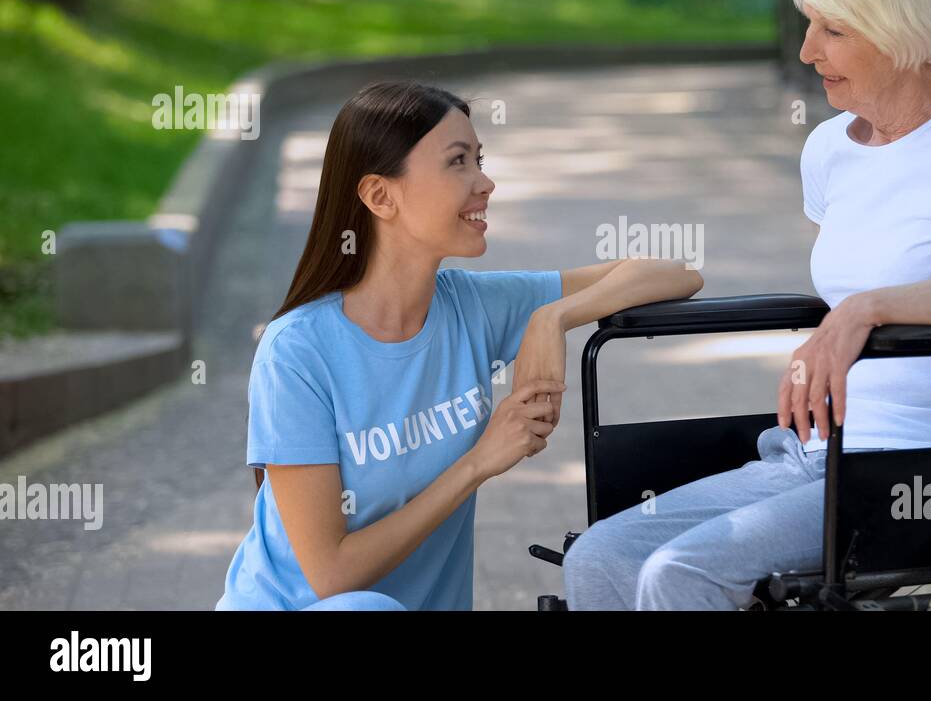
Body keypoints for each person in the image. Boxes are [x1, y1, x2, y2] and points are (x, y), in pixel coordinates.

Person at [562, 0, 931, 610]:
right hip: (817, 455)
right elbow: (836, 301)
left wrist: (867, 308)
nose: (806, 50)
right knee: (601, 556)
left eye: (833, 29)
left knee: (680, 573)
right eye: (808, 23)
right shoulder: (829, 149)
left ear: (899, 30)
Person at [215, 81, 703, 610]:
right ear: (380, 195)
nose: (485, 181)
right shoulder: (298, 353)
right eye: (458, 162)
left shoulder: (469, 307)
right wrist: (479, 461)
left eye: (479, 159)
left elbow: (676, 273)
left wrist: (553, 317)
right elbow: (332, 578)